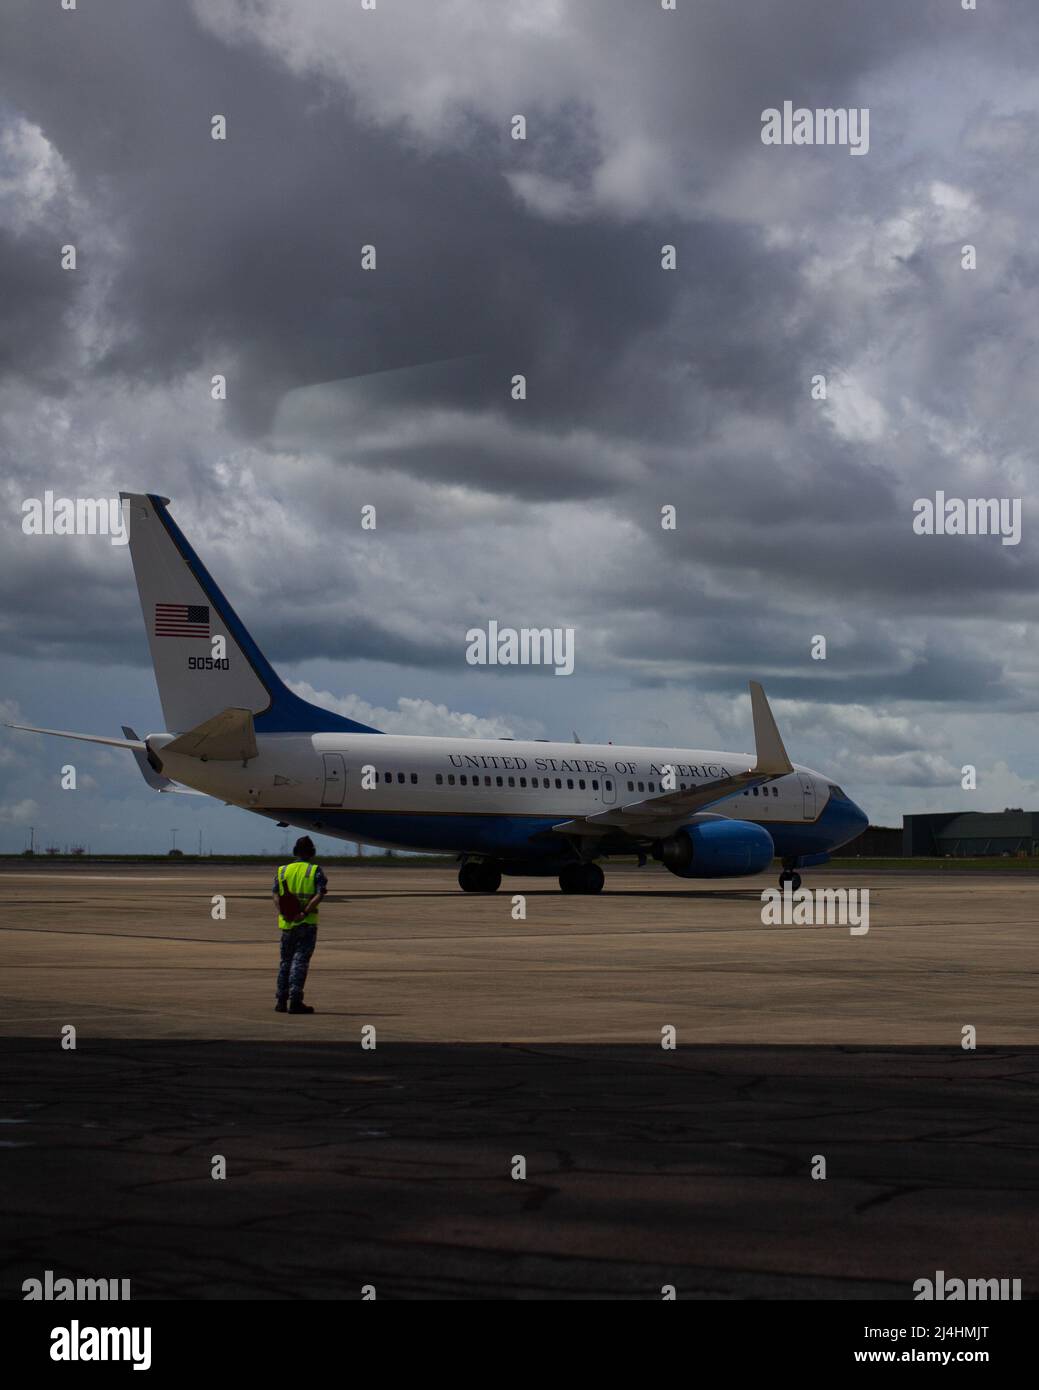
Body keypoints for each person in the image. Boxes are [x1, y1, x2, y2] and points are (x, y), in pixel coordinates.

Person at [272, 836, 327, 1014]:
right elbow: (319, 895)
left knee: (285, 962)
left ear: (295, 851)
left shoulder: (282, 871)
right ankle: (295, 1001)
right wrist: (304, 912)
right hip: (306, 924)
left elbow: (276, 896)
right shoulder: (315, 871)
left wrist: (285, 912)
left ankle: (281, 1000)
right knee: (300, 961)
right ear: (312, 852)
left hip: (287, 924)